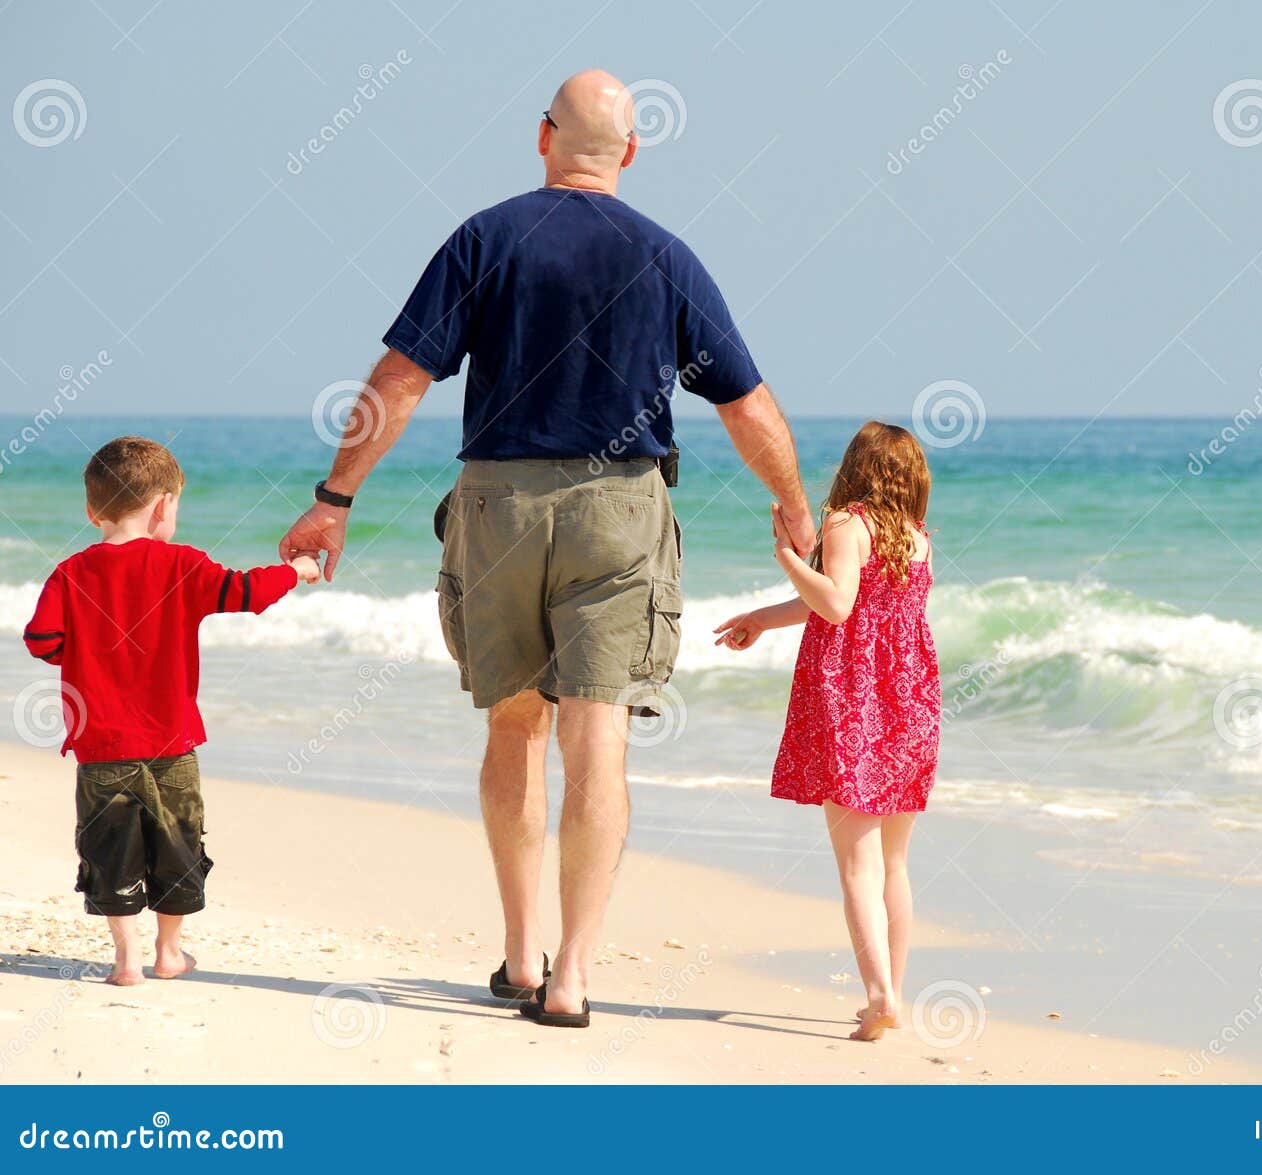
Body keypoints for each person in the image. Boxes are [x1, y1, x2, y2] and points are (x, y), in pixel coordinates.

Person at [278, 69, 813, 1028]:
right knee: (597, 736)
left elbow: (402, 378)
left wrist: (335, 497)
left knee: (514, 725)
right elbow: (746, 402)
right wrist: (796, 507)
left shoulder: (486, 238)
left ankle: (521, 952)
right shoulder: (665, 255)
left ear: (542, 137)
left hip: (500, 505)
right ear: (632, 152)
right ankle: (570, 976)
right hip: (620, 510)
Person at [22, 436, 320, 986]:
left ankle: (126, 958)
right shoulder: (182, 564)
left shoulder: (70, 573)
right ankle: (169, 952)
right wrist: (296, 570)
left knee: (110, 850)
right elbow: (247, 592)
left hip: (101, 747)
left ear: (91, 510)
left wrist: (86, 656)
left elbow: (41, 640)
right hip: (171, 744)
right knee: (178, 848)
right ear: (163, 507)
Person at [714, 422, 940, 1040]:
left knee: (858, 866)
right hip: (911, 704)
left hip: (855, 703)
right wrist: (763, 617)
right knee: (894, 862)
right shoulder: (917, 538)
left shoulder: (846, 523)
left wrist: (787, 558)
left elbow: (837, 604)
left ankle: (879, 997)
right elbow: (850, 601)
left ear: (855, 467)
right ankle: (892, 993)